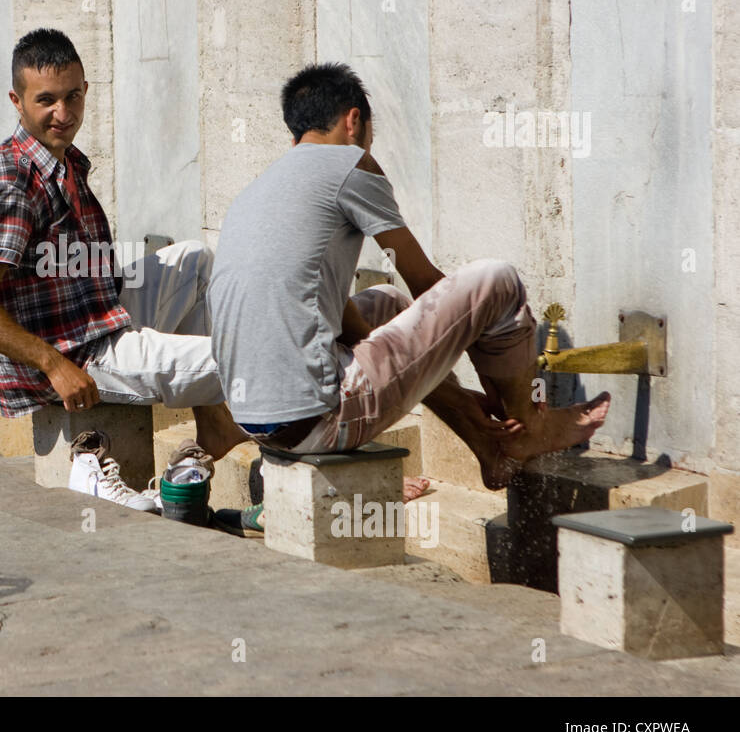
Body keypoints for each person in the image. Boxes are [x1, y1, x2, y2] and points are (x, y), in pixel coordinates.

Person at [206, 62, 611, 538]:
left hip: (259, 422)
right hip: (319, 419)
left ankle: (486, 441)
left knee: (388, 305)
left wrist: (447, 381)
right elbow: (425, 281)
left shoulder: (261, 188)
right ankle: (528, 427)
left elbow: (337, 314)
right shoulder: (351, 163)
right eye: (369, 132)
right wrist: (488, 364)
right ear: (353, 121)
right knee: (496, 281)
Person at [0, 28, 247, 508]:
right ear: (16, 100)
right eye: (45, 100)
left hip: (95, 319)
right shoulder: (12, 182)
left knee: (194, 260)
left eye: (72, 97)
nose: (62, 114)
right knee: (242, 359)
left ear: (85, 91)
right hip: (73, 356)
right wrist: (55, 366)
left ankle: (214, 424)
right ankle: (316, 447)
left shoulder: (65, 161)